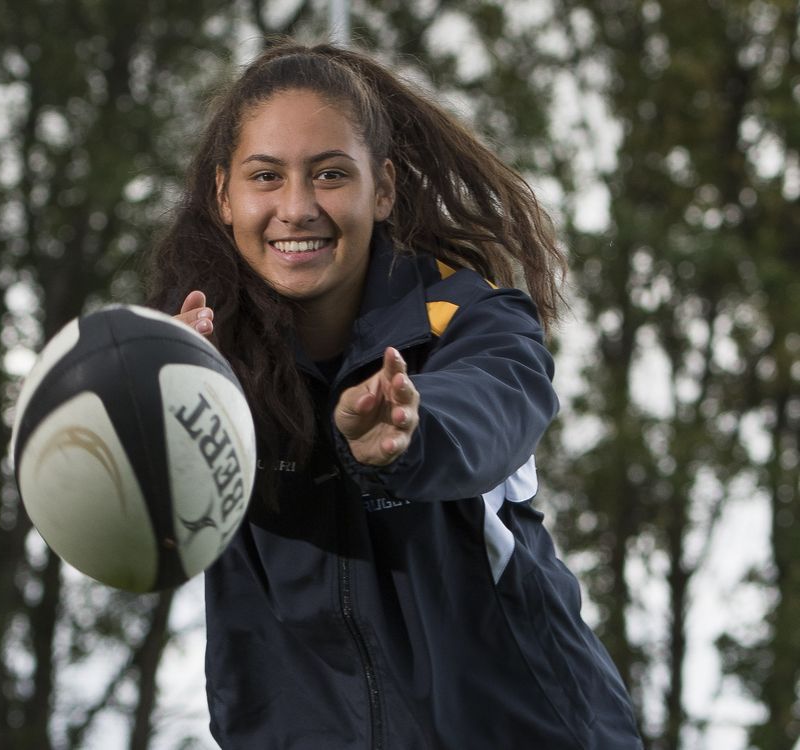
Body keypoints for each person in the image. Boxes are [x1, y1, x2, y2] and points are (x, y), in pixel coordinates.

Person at [148, 41, 642, 750]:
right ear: (224, 195)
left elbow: (491, 409)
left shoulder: (472, 318)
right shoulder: (198, 362)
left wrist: (411, 432)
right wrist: (151, 406)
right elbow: (134, 518)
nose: (297, 207)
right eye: (266, 176)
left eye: (329, 175)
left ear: (382, 189)